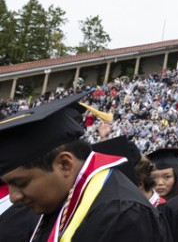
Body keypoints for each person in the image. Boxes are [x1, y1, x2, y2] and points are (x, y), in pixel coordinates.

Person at [0, 95, 168, 241]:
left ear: (65, 164)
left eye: (21, 183)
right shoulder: (60, 200)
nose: (13, 197)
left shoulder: (121, 215)